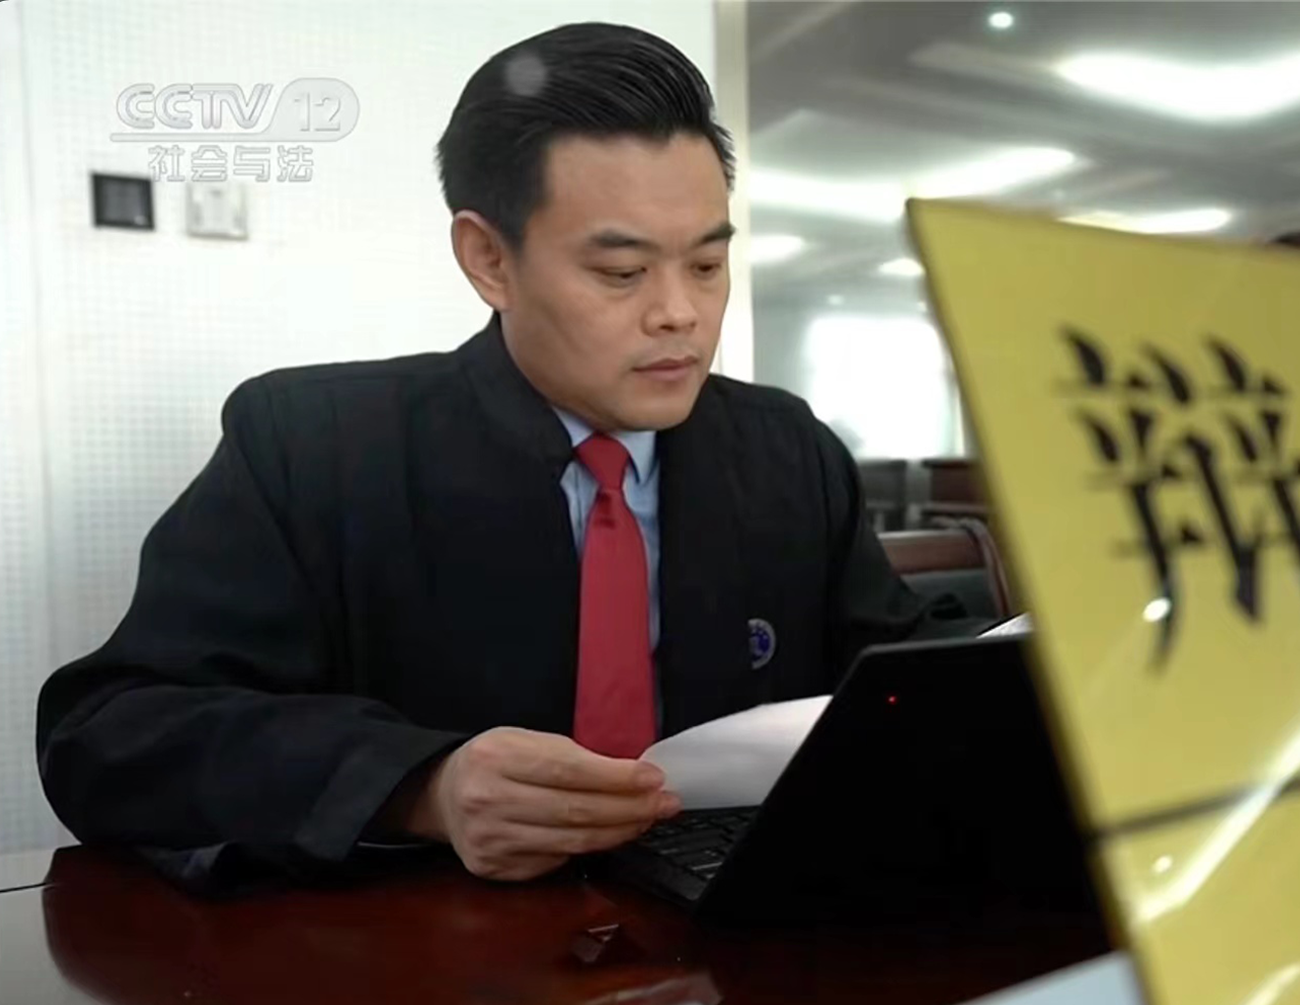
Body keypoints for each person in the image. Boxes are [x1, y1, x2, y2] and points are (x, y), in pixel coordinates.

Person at [36, 23, 956, 890]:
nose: (680, 313)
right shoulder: (311, 444)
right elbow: (110, 735)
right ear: (488, 259)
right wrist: (419, 786)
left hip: (735, 933)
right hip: (421, 962)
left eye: (707, 265)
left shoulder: (787, 450)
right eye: (622, 272)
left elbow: (906, 678)